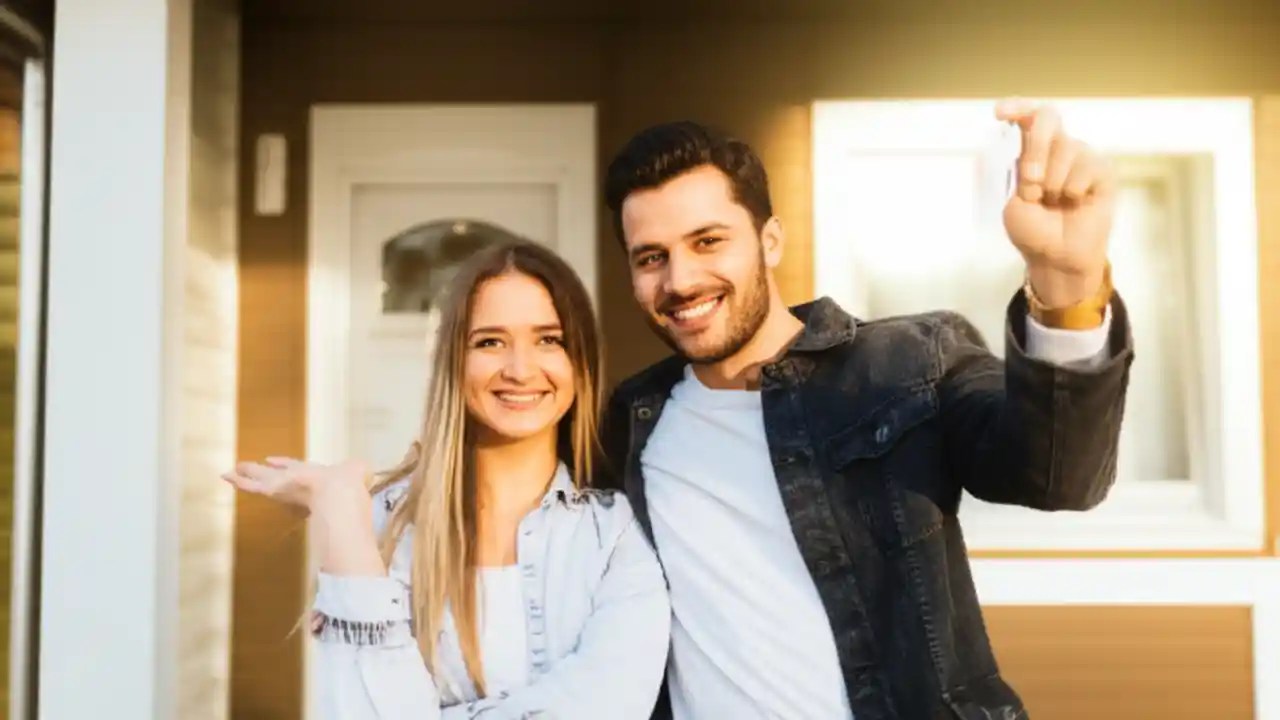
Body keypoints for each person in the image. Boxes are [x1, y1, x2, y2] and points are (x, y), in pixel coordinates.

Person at [600, 100, 1133, 719]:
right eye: (651, 257)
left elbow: (1058, 475)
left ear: (769, 241)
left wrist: (1067, 279)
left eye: (708, 241)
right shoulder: (626, 424)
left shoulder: (906, 364)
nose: (681, 279)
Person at [224, 241, 671, 720]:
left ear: (579, 363)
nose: (520, 370)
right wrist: (339, 509)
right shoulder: (375, 525)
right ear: (452, 361)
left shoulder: (615, 535)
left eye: (549, 339)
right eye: (489, 342)